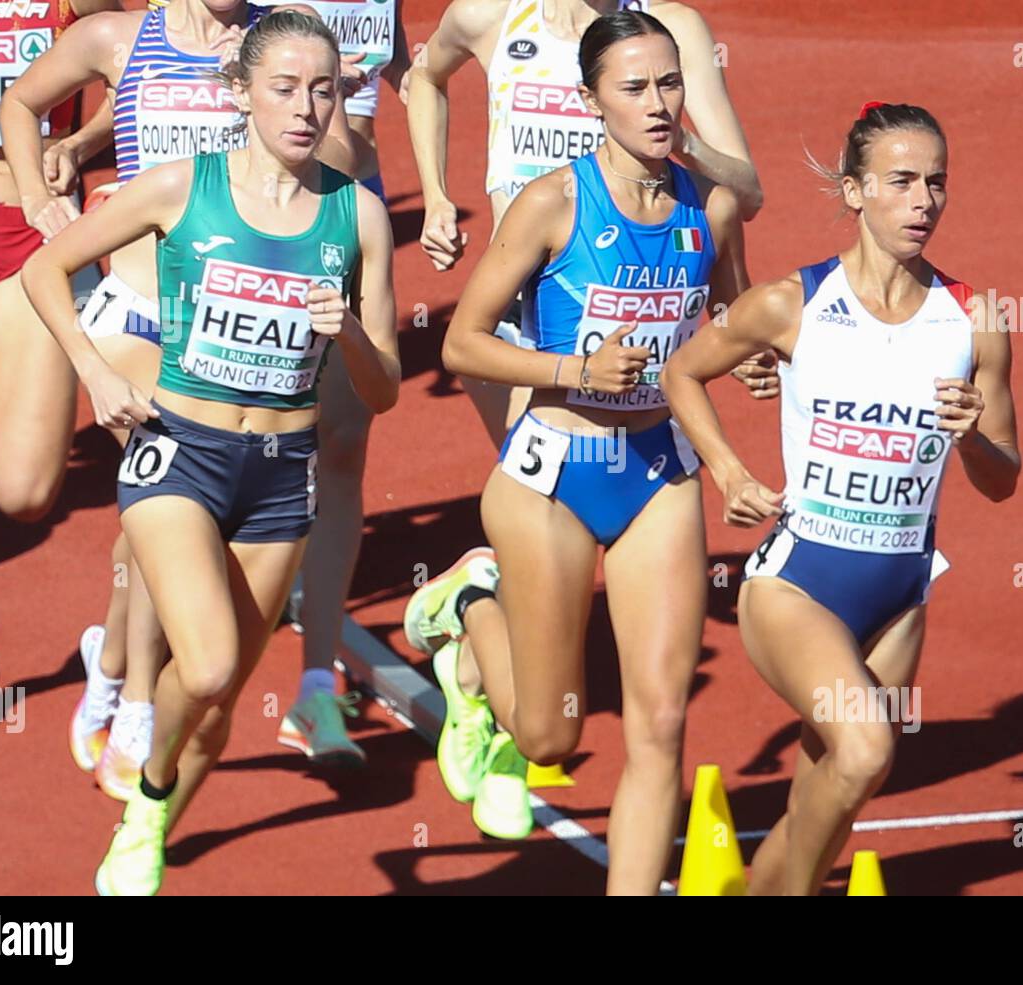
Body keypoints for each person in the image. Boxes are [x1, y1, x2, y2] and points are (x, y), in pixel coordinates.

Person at [22, 9, 399, 894]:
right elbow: (44, 271)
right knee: (215, 661)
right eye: (284, 88)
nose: (306, 108)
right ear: (239, 94)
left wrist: (345, 334)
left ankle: (149, 813)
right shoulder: (178, 186)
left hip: (282, 478)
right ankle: (139, 744)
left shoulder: (360, 219)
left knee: (221, 702)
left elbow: (381, 390)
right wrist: (94, 374)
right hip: (179, 460)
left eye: (324, 89)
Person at [406, 10, 746, 894]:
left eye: (670, 83)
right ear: (592, 100)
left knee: (660, 723)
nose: (661, 104)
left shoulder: (708, 202)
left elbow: (729, 316)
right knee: (552, 737)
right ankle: (472, 610)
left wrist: (755, 361)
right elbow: (462, 344)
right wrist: (575, 367)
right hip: (553, 473)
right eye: (634, 89)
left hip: (659, 475)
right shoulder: (554, 200)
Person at [661, 102, 1022, 895]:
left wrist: (969, 435)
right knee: (865, 749)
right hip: (795, 586)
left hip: (898, 598)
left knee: (828, 799)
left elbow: (1002, 479)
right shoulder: (792, 305)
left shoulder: (974, 320)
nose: (923, 200)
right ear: (855, 191)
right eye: (900, 181)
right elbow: (680, 371)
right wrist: (728, 472)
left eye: (936, 183)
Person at [406, 0, 767, 451]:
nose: (655, 98)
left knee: (615, 471)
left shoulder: (668, 29)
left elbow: (747, 196)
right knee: (545, 483)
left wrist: (684, 142)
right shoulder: (488, 15)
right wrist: (436, 198)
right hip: (519, 313)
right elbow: (423, 75)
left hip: (633, 306)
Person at [0, 0, 119, 723]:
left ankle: (113, 644)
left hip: (34, 230)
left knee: (24, 492)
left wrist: (83, 142)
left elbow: (136, 69)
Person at [255, 0, 412, 769]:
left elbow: (403, 63)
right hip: (254, 227)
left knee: (343, 449)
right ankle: (135, 682)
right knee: (232, 442)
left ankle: (316, 685)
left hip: (349, 211)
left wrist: (440, 188)